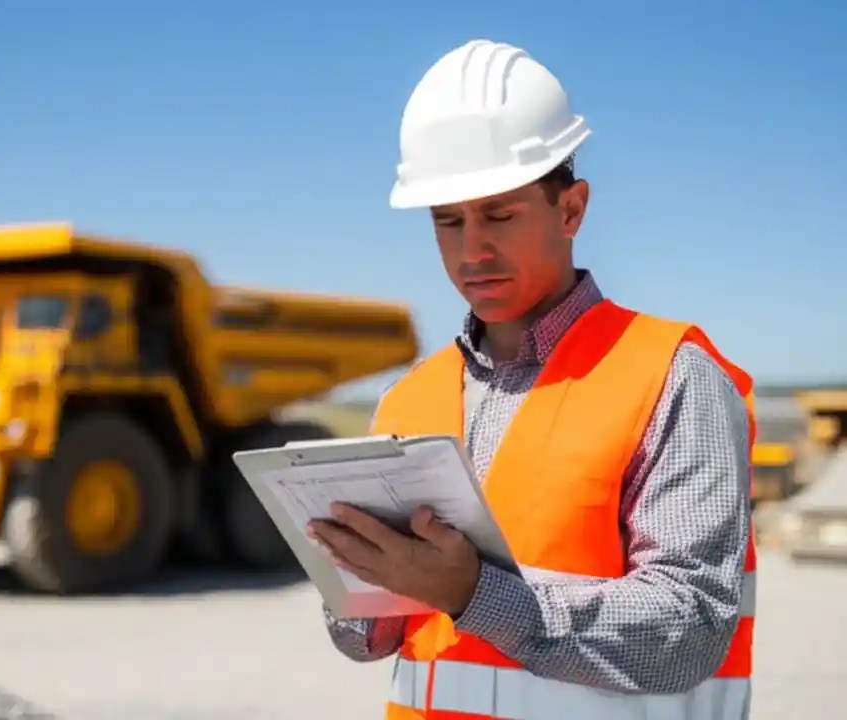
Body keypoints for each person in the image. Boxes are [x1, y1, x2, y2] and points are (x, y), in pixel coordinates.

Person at [308, 39, 756, 719]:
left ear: (571, 209)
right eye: (447, 221)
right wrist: (358, 586)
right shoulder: (410, 396)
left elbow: (689, 629)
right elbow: (371, 640)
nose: (472, 250)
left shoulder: (671, 376)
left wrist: (474, 592)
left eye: (500, 214)